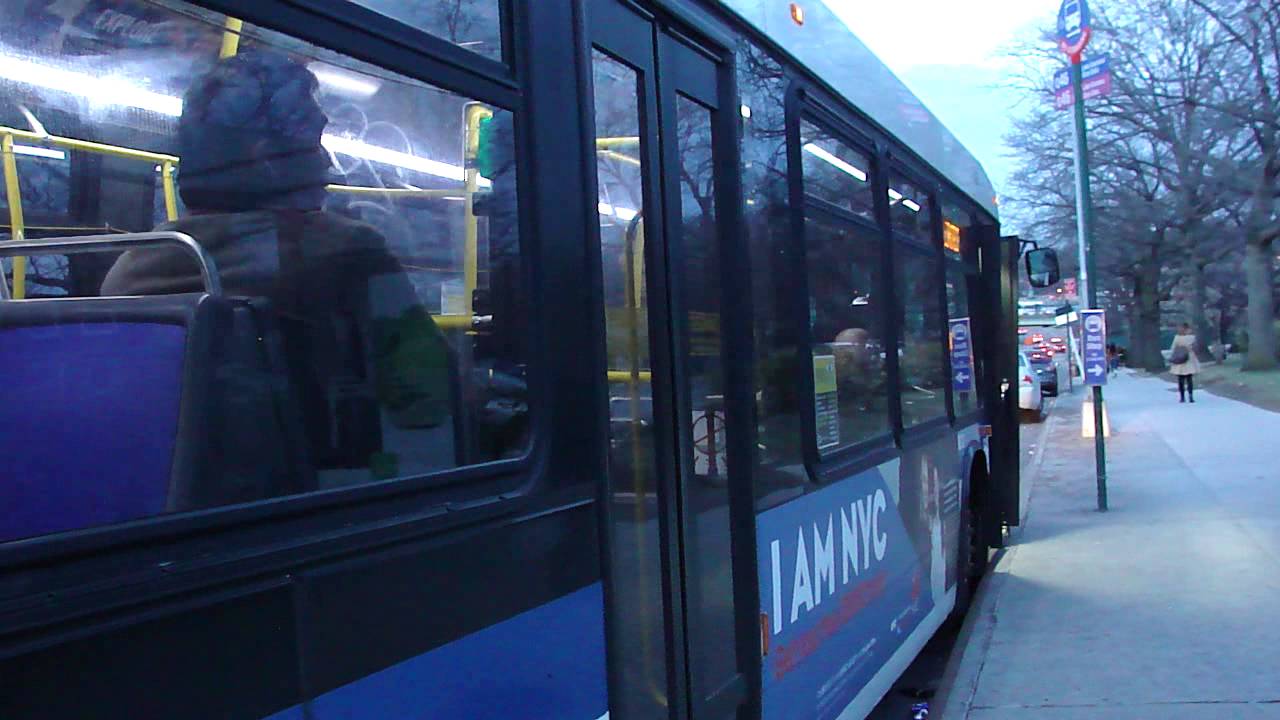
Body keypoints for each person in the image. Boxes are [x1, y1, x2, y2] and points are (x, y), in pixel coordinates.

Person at [101, 51, 452, 497]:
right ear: (267, 159)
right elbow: (429, 397)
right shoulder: (345, 251)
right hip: (305, 507)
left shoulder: (132, 264)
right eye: (313, 139)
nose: (327, 161)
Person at [1169, 323, 1200, 403]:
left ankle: (1182, 397)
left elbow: (1173, 348)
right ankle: (1190, 396)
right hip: (1189, 358)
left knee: (1180, 379)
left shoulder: (1177, 338)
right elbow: (1196, 348)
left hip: (1179, 359)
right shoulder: (1192, 337)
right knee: (1189, 379)